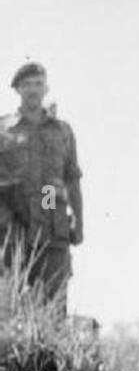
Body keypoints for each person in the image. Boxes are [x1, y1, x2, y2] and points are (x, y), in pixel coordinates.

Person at [0, 62, 83, 312]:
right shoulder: (4, 130)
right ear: (17, 89)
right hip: (13, 228)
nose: (33, 90)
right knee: (9, 301)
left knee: (54, 304)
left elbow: (72, 178)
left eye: (38, 84)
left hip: (52, 226)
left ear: (46, 88)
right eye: (27, 85)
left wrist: (79, 221)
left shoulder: (62, 130)